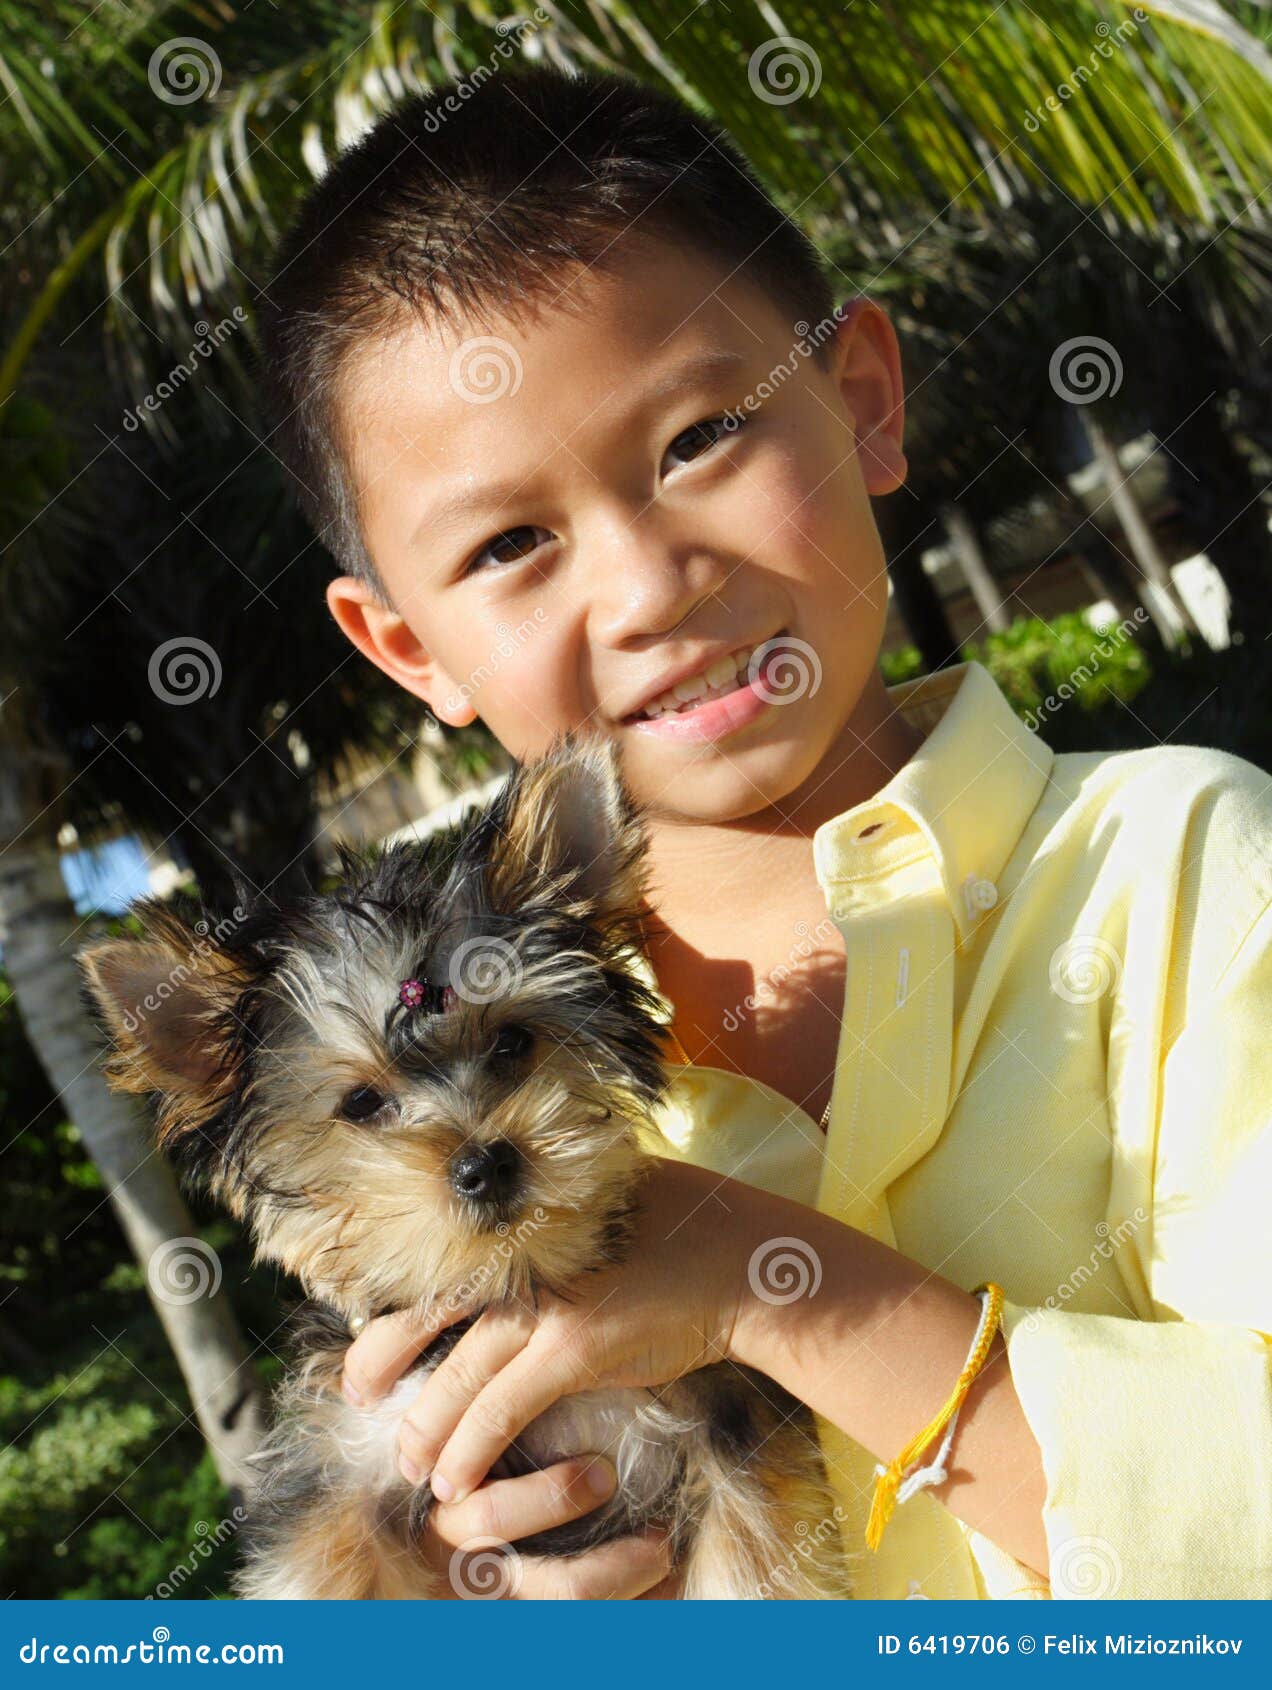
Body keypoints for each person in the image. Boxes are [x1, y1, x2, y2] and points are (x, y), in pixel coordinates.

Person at [257, 63, 1272, 1600]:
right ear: (410, 650)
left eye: (697, 439)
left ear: (861, 395)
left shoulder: (1186, 873)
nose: (650, 588)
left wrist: (769, 1287)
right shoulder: (434, 1145)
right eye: (513, 542)